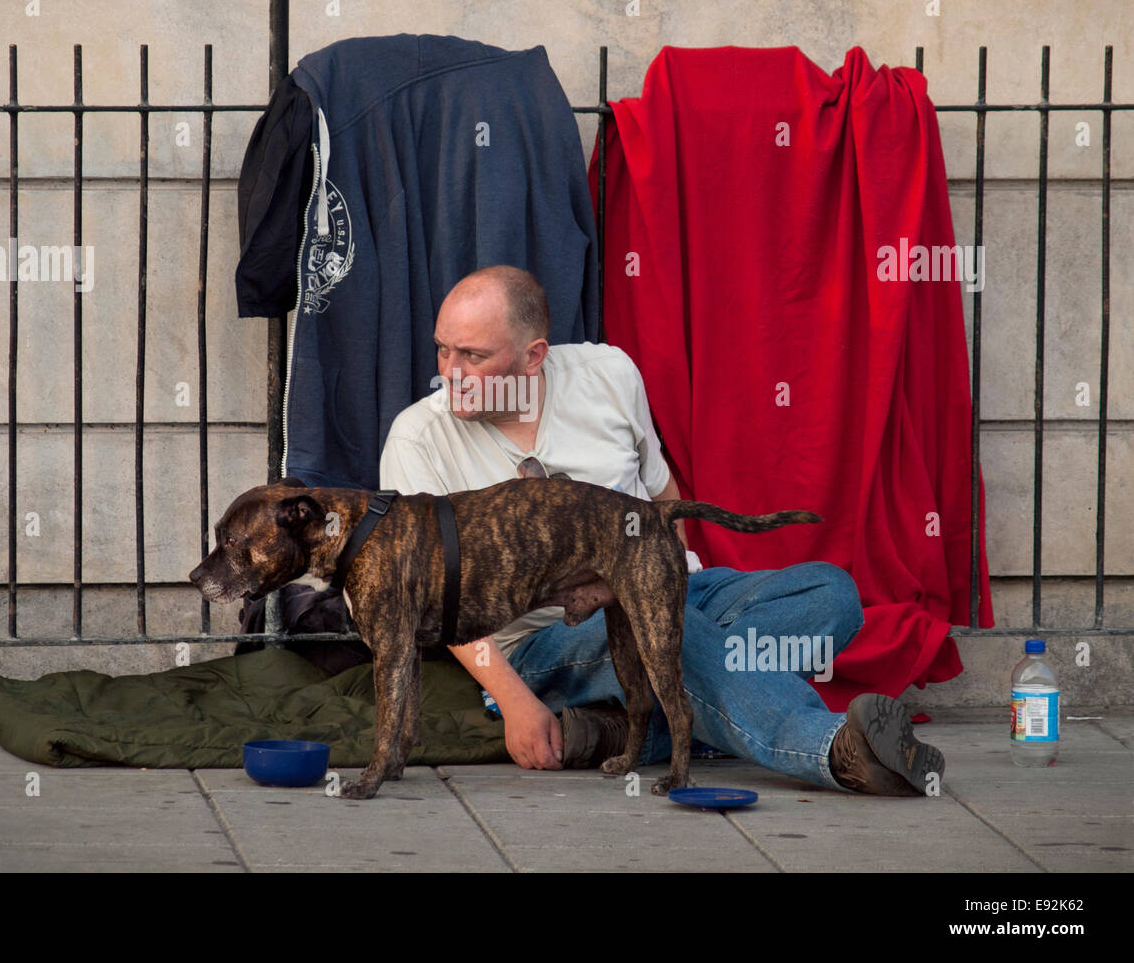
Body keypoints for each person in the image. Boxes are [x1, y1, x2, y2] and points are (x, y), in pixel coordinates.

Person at [378, 265, 945, 795]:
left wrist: (668, 580)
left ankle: (626, 732)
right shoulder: (417, 441)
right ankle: (832, 749)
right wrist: (518, 703)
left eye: (472, 356)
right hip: (543, 639)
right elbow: (431, 600)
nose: (447, 372)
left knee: (829, 593)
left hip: (666, 585)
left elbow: (661, 494)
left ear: (533, 357)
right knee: (672, 633)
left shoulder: (606, 374)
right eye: (442, 348)